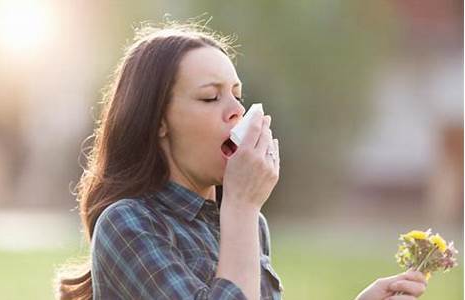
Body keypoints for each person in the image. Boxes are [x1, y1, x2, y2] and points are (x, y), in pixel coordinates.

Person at [56, 21, 428, 300]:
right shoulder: (127, 224)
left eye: (237, 95)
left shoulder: (248, 224)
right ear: (159, 122)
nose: (237, 111)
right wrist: (242, 206)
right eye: (209, 97)